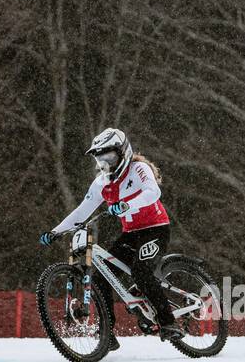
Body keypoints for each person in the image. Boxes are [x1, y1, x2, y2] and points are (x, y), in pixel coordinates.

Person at [39, 128, 181, 345]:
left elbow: (153, 192)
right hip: (131, 234)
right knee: (101, 277)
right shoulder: (101, 183)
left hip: (155, 229)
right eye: (100, 160)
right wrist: (55, 231)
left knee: (140, 272)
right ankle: (107, 333)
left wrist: (126, 204)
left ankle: (169, 322)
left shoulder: (139, 168)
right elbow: (81, 212)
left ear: (123, 152)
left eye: (110, 158)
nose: (105, 164)